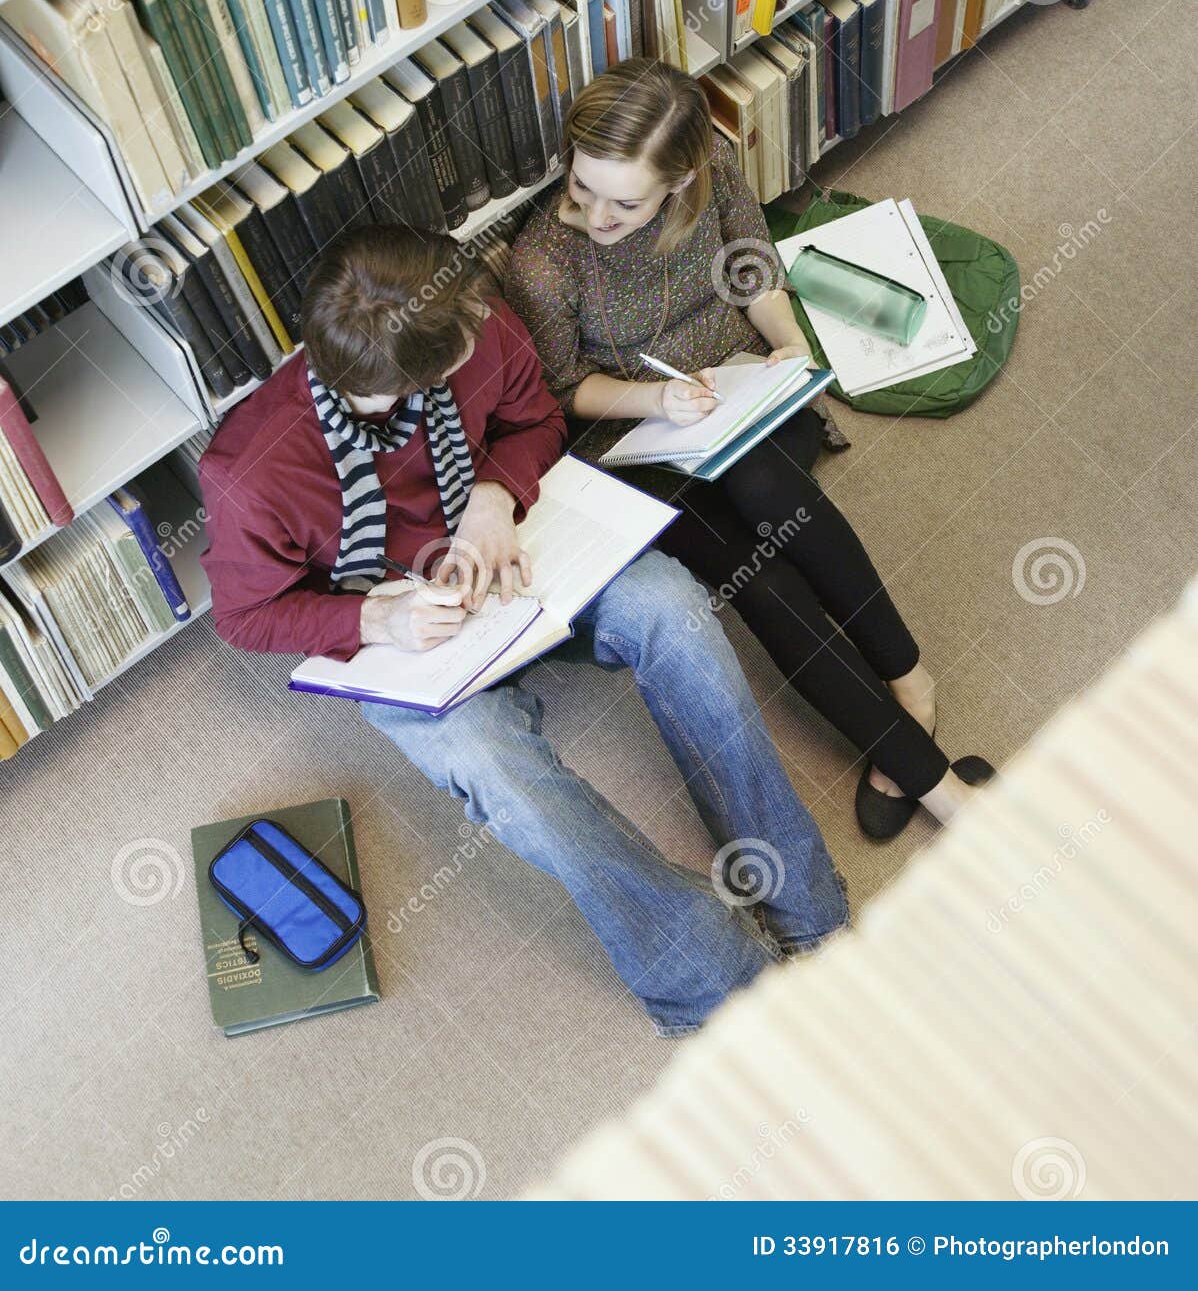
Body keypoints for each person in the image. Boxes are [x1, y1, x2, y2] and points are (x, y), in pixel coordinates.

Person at [200, 224, 847, 1036]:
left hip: (526, 548)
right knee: (499, 773)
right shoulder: (247, 474)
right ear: (410, 381)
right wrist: (376, 613)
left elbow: (534, 419)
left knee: (674, 611)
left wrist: (493, 497)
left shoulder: (468, 317)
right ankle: (712, 975)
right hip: (397, 633)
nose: (487, 332)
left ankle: (804, 903)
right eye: (464, 344)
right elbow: (246, 617)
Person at [504, 59, 995, 841]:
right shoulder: (542, 259)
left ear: (682, 175)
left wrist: (790, 346)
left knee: (765, 484)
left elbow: (756, 269)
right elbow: (564, 387)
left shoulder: (716, 170)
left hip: (742, 389)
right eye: (582, 184)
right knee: (759, 581)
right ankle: (935, 783)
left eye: (624, 200)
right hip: (637, 441)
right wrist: (654, 398)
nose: (596, 213)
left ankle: (910, 679)